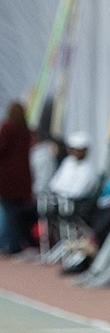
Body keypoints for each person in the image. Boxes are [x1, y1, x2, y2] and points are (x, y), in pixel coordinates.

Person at [0, 101, 35, 255]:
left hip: (7, 178)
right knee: (19, 214)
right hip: (24, 177)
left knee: (9, 213)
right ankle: (22, 242)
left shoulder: (7, 128)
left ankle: (11, 244)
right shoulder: (26, 130)